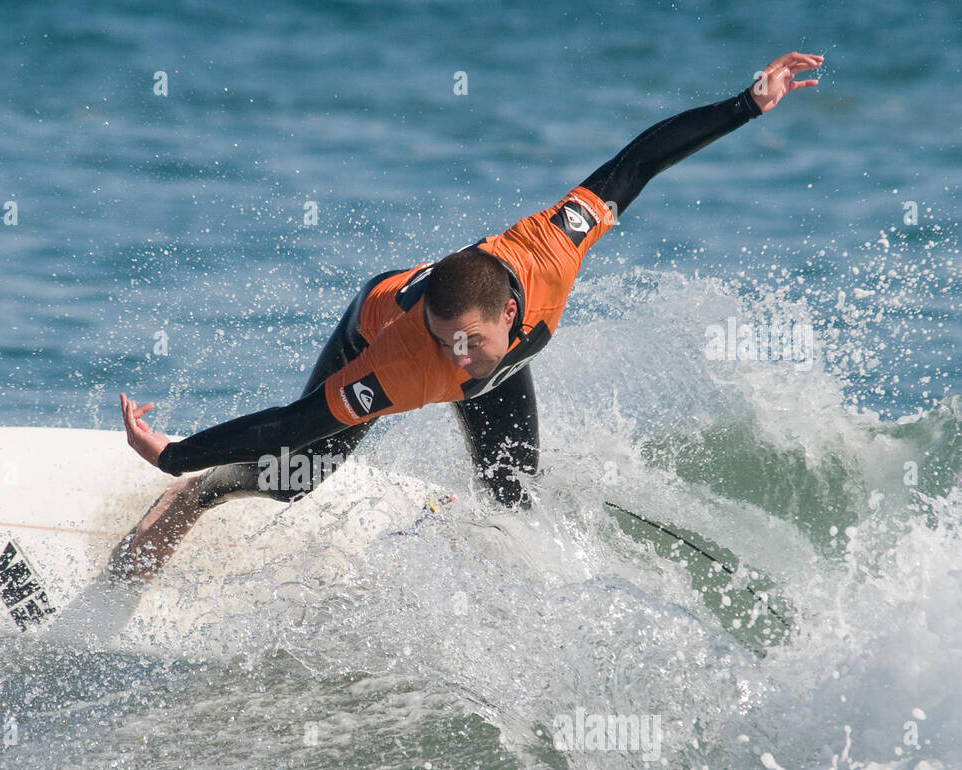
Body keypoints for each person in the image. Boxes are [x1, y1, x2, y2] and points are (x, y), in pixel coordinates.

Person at [112, 51, 823, 580]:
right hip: (373, 321)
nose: (456, 357)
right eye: (446, 343)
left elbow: (637, 162)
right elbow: (293, 424)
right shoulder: (400, 361)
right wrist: (177, 451)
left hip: (498, 356)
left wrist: (747, 103)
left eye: (470, 344)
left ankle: (452, 526)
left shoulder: (553, 246)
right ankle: (199, 495)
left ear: (511, 312)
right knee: (301, 472)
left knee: (514, 497)